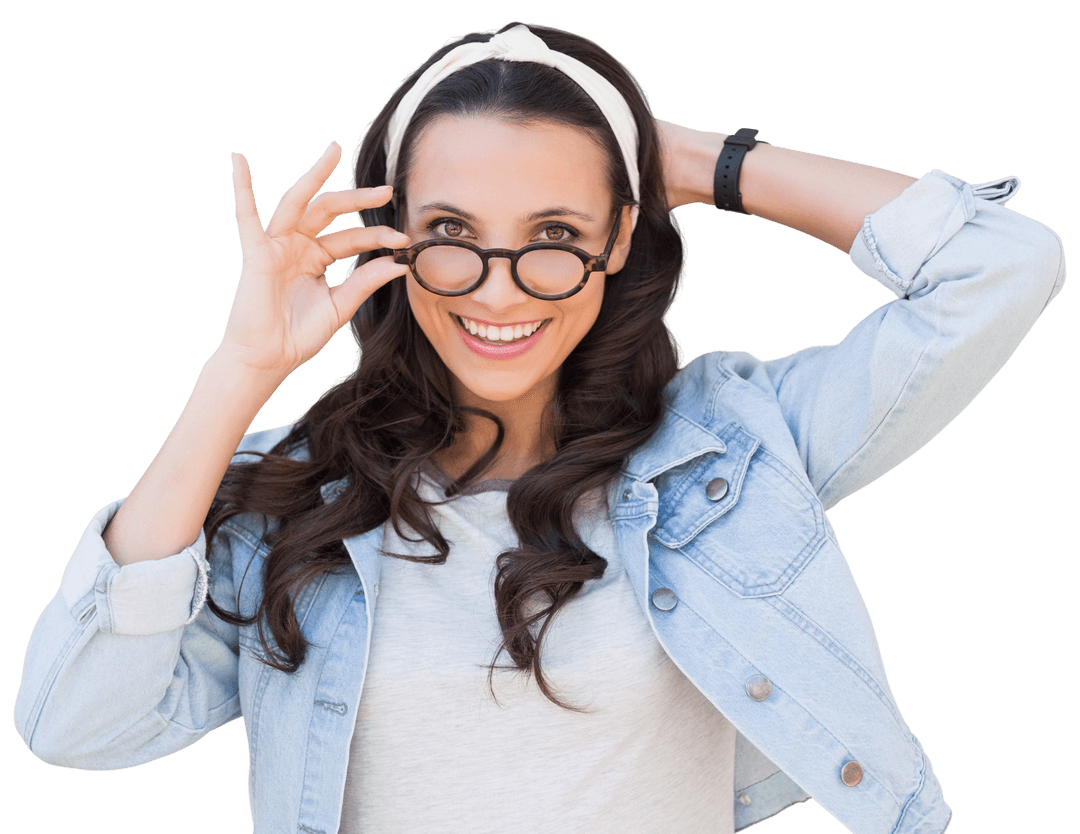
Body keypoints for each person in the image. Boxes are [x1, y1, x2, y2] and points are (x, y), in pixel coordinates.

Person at [12, 20, 1065, 834]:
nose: (498, 289)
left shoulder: (732, 452)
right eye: (450, 231)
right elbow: (75, 724)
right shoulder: (297, 505)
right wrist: (237, 375)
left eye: (555, 232)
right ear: (394, 238)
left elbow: (1002, 268)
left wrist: (697, 162)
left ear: (620, 239)